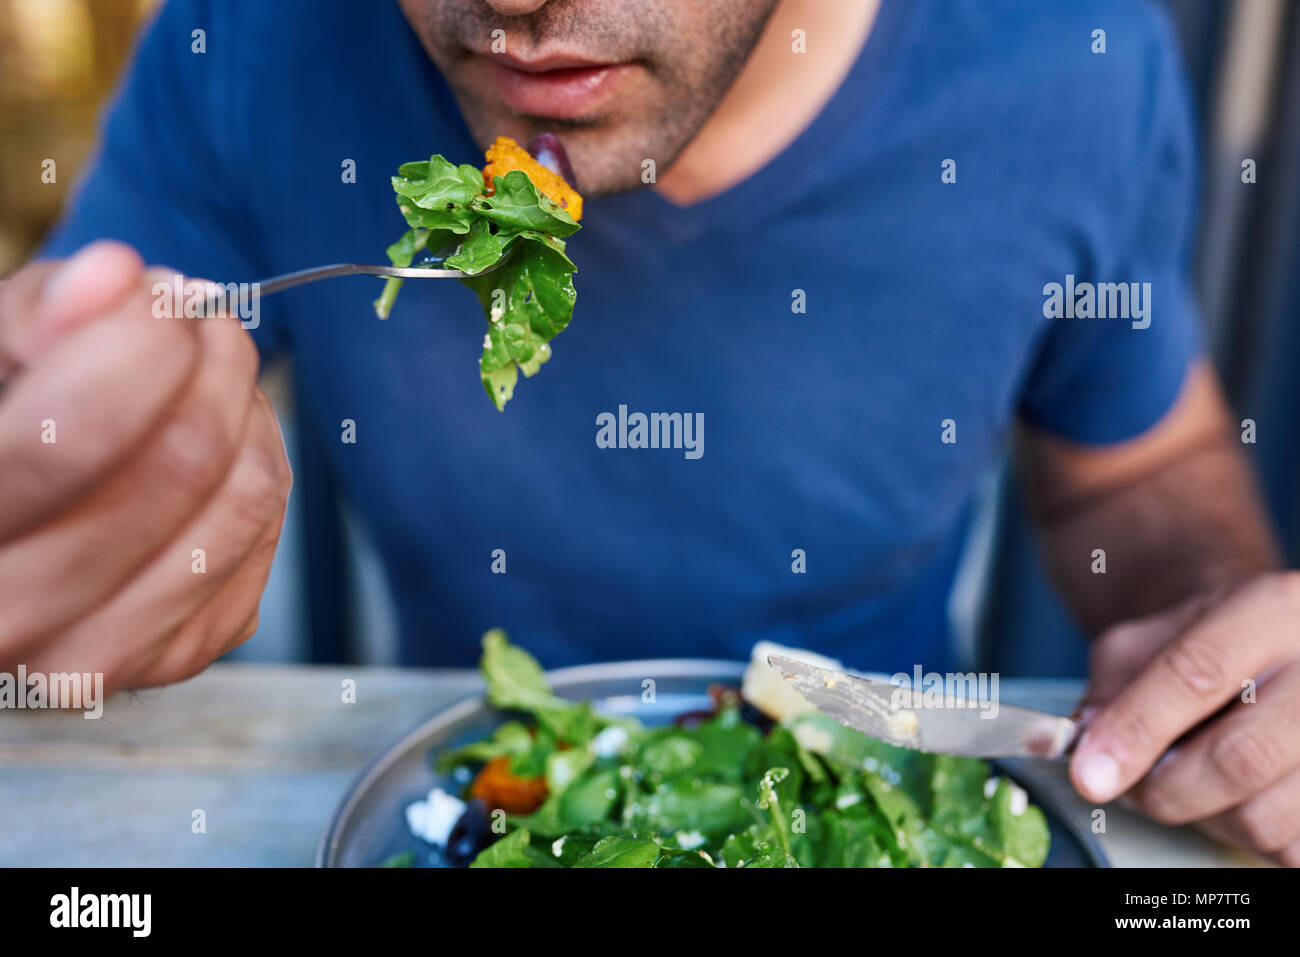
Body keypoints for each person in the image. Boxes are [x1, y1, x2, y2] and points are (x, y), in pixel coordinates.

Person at [1, 0, 1296, 864]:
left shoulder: (1066, 58)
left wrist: (1212, 642)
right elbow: (80, 407)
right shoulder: (253, 39)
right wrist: (75, 518)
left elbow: (1141, 468)